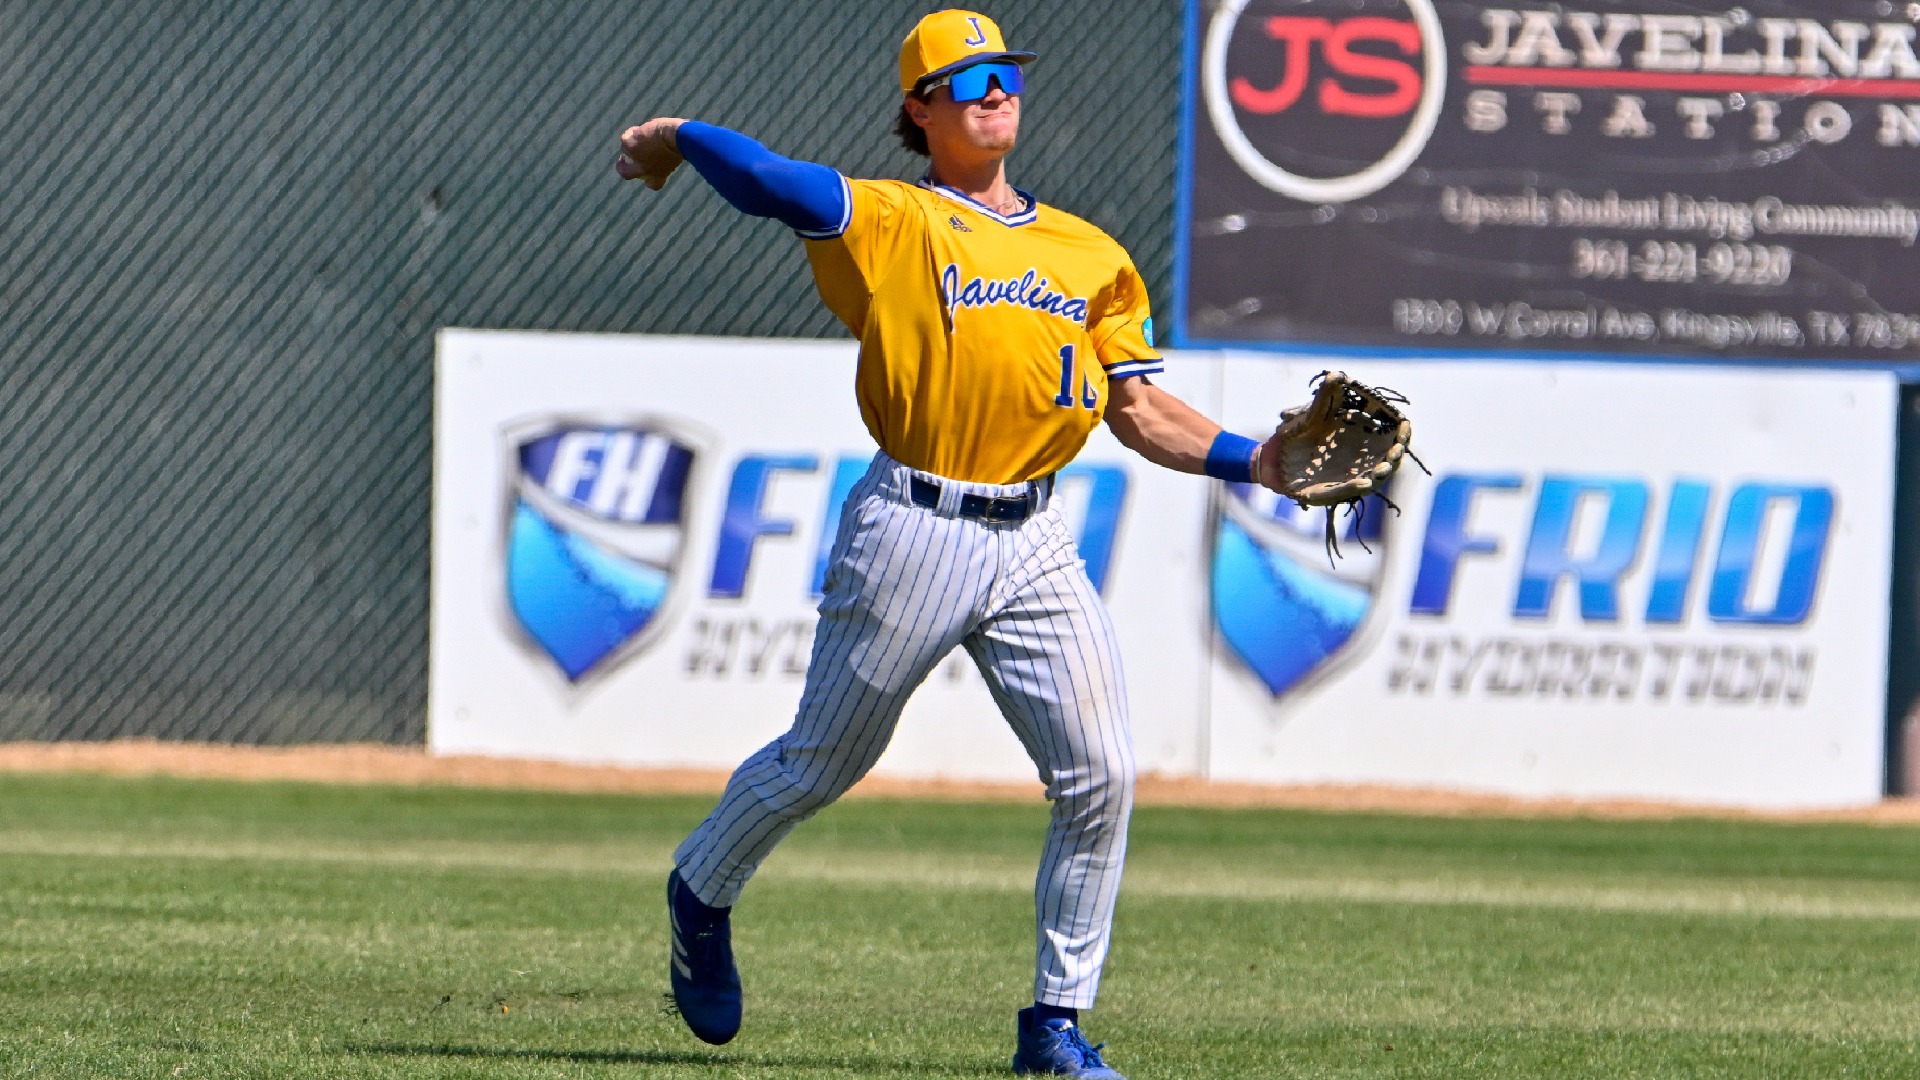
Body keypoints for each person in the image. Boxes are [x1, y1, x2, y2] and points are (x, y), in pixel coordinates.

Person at [617, 11, 1283, 1078]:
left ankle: (1054, 1028)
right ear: (920, 110)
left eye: (1003, 74)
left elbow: (1141, 409)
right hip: (913, 525)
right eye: (964, 79)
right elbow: (775, 184)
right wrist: (683, 135)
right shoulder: (895, 221)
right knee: (818, 766)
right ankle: (701, 887)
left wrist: (1256, 461)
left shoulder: (1090, 256)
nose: (992, 91)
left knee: (1102, 773)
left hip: (1035, 538)